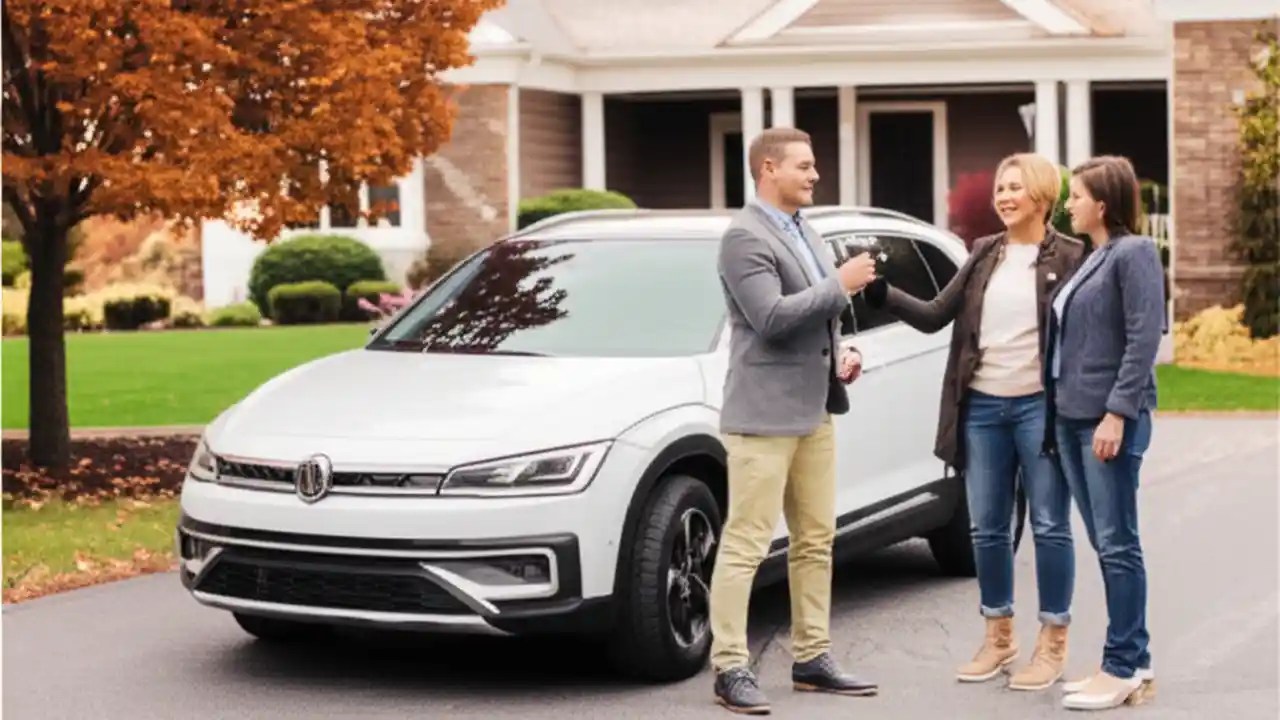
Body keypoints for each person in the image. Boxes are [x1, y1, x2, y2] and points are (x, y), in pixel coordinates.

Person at [864, 152, 1086, 691]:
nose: (1003, 197)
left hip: (1040, 408)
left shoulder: (1074, 256)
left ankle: (1053, 643)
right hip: (983, 408)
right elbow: (937, 314)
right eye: (1000, 188)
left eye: (1014, 187)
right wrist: (883, 294)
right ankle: (998, 637)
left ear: (1041, 195)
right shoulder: (985, 252)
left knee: (1051, 526)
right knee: (987, 527)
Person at [710, 126, 879, 715]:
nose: (814, 176)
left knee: (816, 540)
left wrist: (844, 353)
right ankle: (730, 666)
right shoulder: (743, 238)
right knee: (746, 543)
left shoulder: (807, 230)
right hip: (762, 417)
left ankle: (812, 657)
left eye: (814, 166)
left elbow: (821, 319)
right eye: (803, 167)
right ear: (767, 169)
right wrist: (841, 285)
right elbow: (773, 319)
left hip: (815, 409)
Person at [1048, 155, 1162, 711]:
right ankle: (1137, 661)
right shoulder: (1092, 257)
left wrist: (1118, 412)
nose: (1068, 203)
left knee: (1118, 544)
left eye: (1077, 195)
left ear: (1103, 203)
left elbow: (1144, 339)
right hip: (1072, 416)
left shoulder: (1134, 253)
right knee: (1108, 542)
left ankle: (1118, 667)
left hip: (1107, 420)